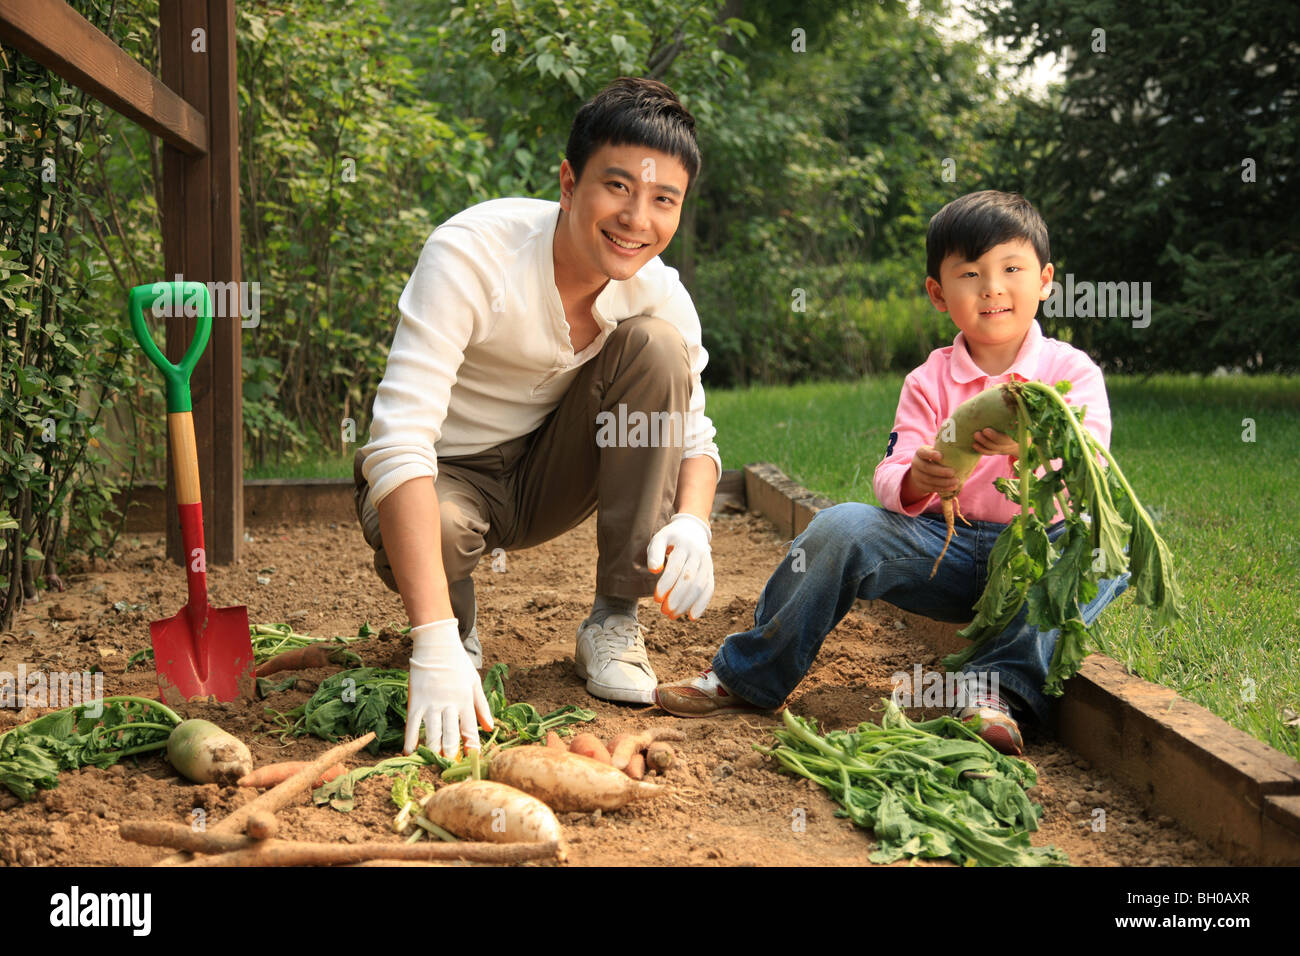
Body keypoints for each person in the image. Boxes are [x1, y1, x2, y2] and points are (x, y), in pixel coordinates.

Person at [655, 190, 1130, 755]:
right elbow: (890, 473)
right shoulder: (928, 380)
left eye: (1011, 269)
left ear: (1046, 279)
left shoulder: (1071, 373)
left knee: (1100, 543)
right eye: (971, 274)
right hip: (942, 550)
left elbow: (1089, 472)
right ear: (937, 293)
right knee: (840, 527)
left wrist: (1029, 451)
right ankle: (751, 675)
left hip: (1031, 558)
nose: (993, 288)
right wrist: (916, 480)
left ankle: (992, 693)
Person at [353, 78, 722, 758]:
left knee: (658, 351)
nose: (638, 219)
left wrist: (693, 522)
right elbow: (398, 442)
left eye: (663, 200)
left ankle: (613, 618)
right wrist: (431, 642)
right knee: (435, 525)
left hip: (549, 473)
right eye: (617, 187)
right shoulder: (471, 253)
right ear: (568, 180)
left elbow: (695, 433)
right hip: (449, 475)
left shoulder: (656, 290)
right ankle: (451, 631)